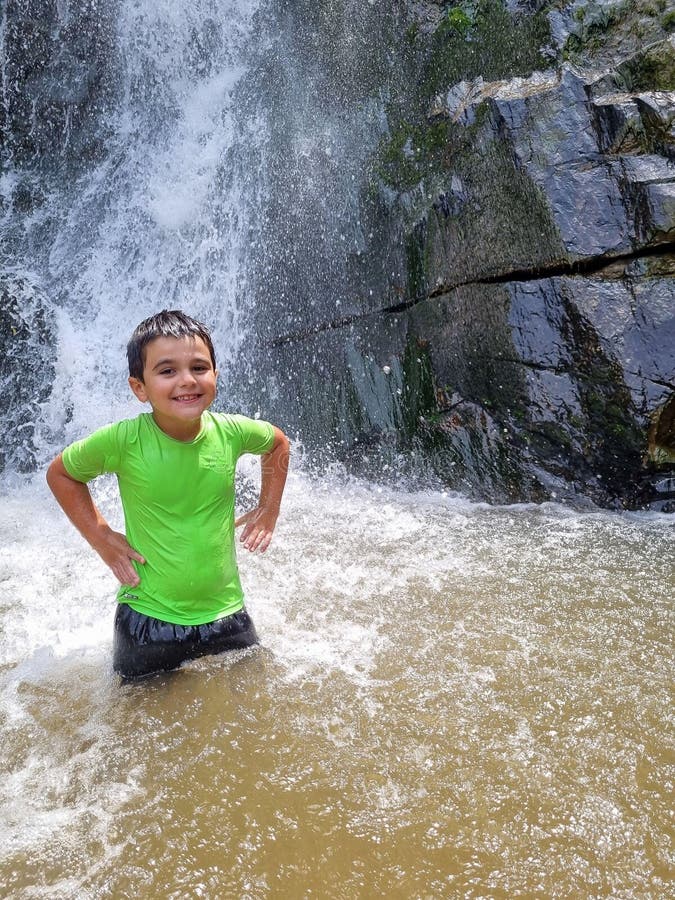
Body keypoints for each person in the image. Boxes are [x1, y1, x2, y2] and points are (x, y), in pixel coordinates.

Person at [46, 309, 290, 679]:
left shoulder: (231, 431)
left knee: (252, 712)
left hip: (226, 614)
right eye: (167, 371)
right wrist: (101, 537)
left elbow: (278, 444)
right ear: (139, 388)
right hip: (148, 621)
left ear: (216, 375)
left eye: (199, 367)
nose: (187, 381)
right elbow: (61, 474)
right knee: (137, 727)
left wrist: (268, 508)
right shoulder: (124, 440)